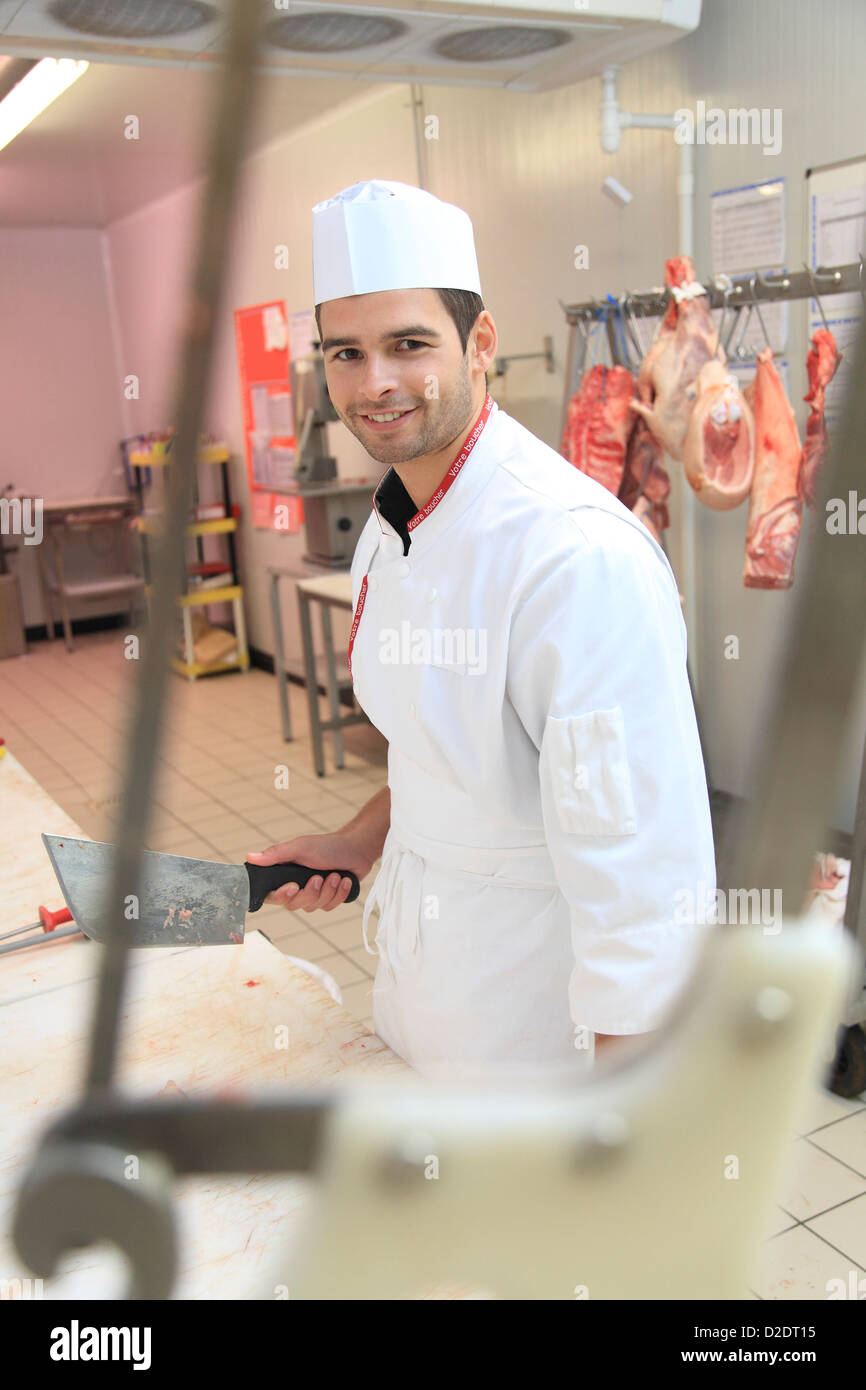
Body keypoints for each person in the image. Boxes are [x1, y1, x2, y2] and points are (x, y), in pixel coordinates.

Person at [248, 179, 716, 1078]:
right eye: (345, 353)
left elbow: (644, 878)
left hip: (539, 1032)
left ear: (482, 344)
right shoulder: (393, 526)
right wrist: (362, 839)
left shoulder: (573, 556)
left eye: (408, 345)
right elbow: (457, 748)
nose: (375, 382)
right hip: (425, 989)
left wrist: (627, 1123)